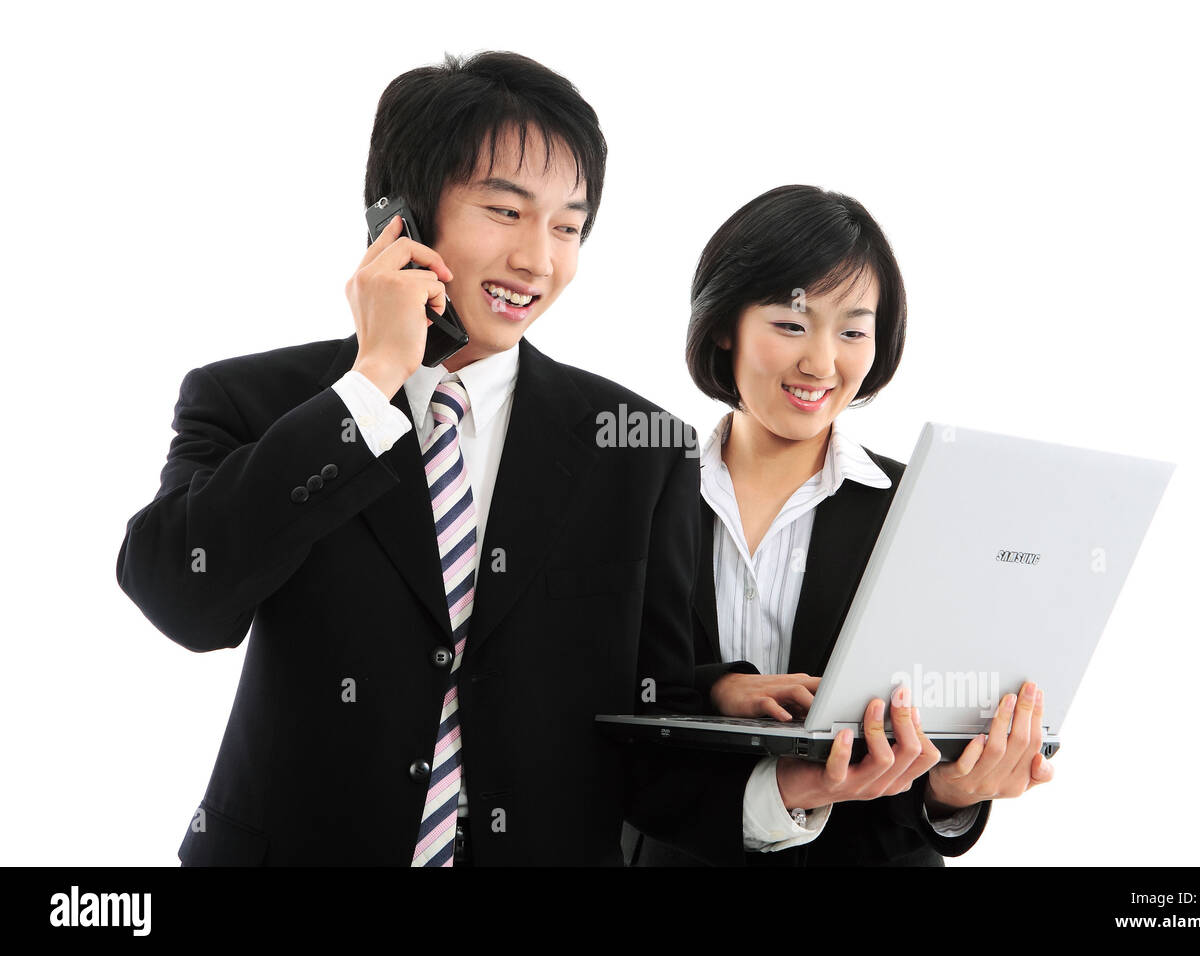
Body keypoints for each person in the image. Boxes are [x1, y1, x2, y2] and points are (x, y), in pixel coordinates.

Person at [116, 52, 814, 866]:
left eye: (568, 226)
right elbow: (182, 599)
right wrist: (371, 383)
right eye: (505, 212)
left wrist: (792, 791)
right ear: (400, 219)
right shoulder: (256, 401)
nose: (538, 261)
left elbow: (642, 739)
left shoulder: (636, 443)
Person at [626, 185, 1054, 866]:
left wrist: (952, 795)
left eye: (853, 330)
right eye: (792, 325)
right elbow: (606, 695)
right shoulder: (637, 494)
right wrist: (714, 688)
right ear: (723, 325)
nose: (822, 363)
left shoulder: (923, 507)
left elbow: (935, 741)